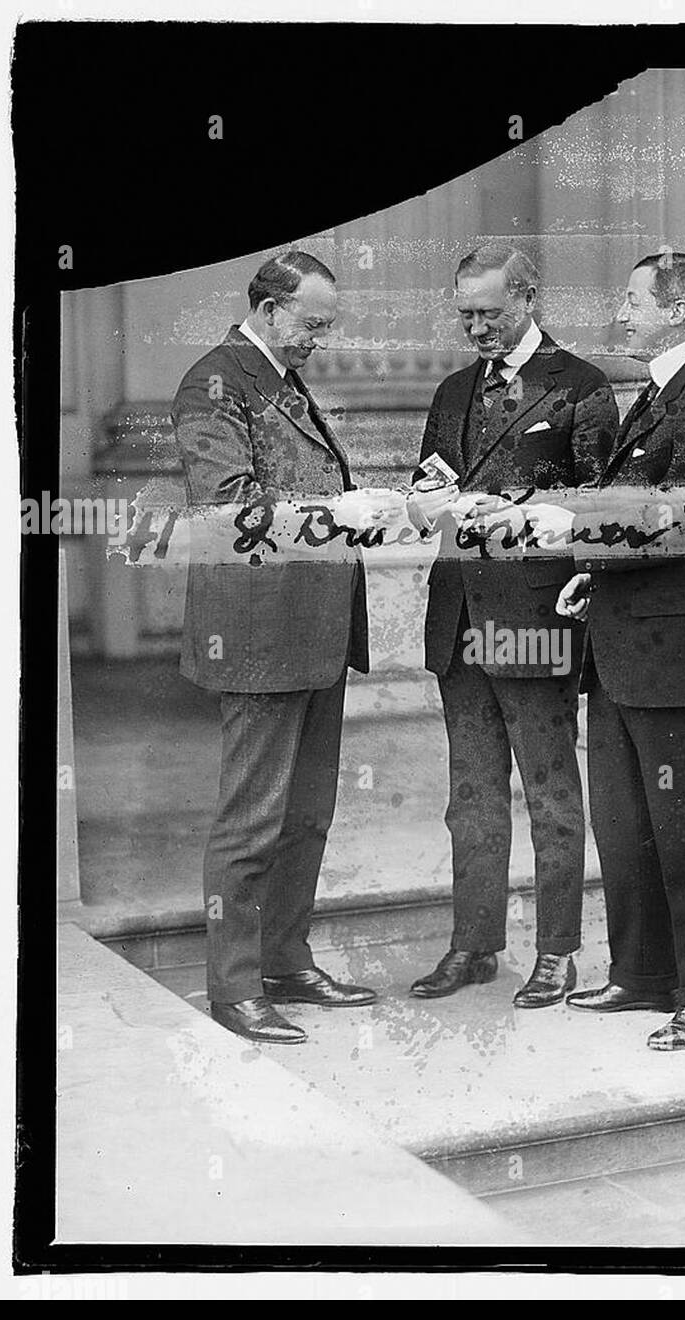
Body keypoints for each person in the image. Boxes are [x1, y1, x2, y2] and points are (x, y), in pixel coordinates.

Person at [557, 252, 685, 1050]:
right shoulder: (662, 395)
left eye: (635, 299)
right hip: (627, 639)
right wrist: (591, 576)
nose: (623, 312)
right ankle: (643, 976)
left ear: (677, 311)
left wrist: (575, 535)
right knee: (625, 820)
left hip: (677, 649)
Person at [173, 250, 378, 1045]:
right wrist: (343, 512)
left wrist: (362, 510)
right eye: (310, 325)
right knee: (252, 818)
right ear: (266, 308)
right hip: (260, 633)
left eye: (326, 327)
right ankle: (233, 986)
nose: (318, 341)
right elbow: (230, 510)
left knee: (305, 815)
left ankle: (286, 960)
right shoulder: (216, 380)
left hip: (313, 628)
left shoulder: (278, 378)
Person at [409, 245, 618, 1007]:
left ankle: (557, 952)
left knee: (549, 792)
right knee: (470, 795)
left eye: (489, 313)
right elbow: (425, 483)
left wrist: (525, 517)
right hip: (459, 612)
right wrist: (422, 501)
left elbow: (600, 512)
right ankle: (473, 945)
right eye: (464, 315)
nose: (475, 329)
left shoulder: (580, 388)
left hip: (533, 616)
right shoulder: (452, 388)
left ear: (529, 298)